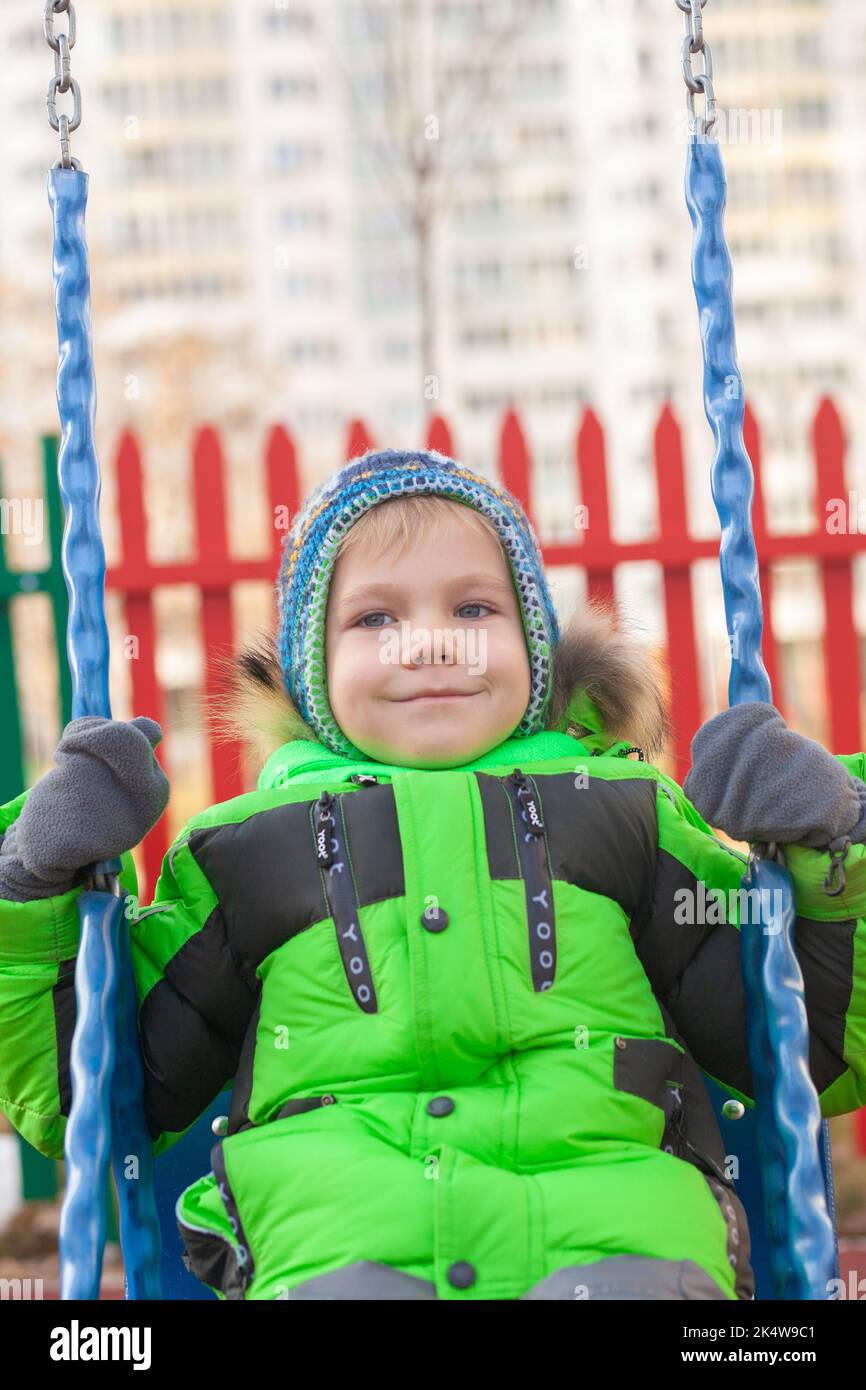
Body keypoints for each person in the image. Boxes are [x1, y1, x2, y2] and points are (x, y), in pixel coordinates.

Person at [1, 447, 865, 1302]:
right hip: (339, 1242)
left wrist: (836, 841)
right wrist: (33, 883)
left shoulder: (624, 818)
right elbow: (97, 1096)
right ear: (313, 667)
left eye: (474, 608)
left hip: (617, 1231)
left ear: (535, 649)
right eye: (376, 619)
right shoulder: (247, 855)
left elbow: (809, 1042)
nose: (427, 644)